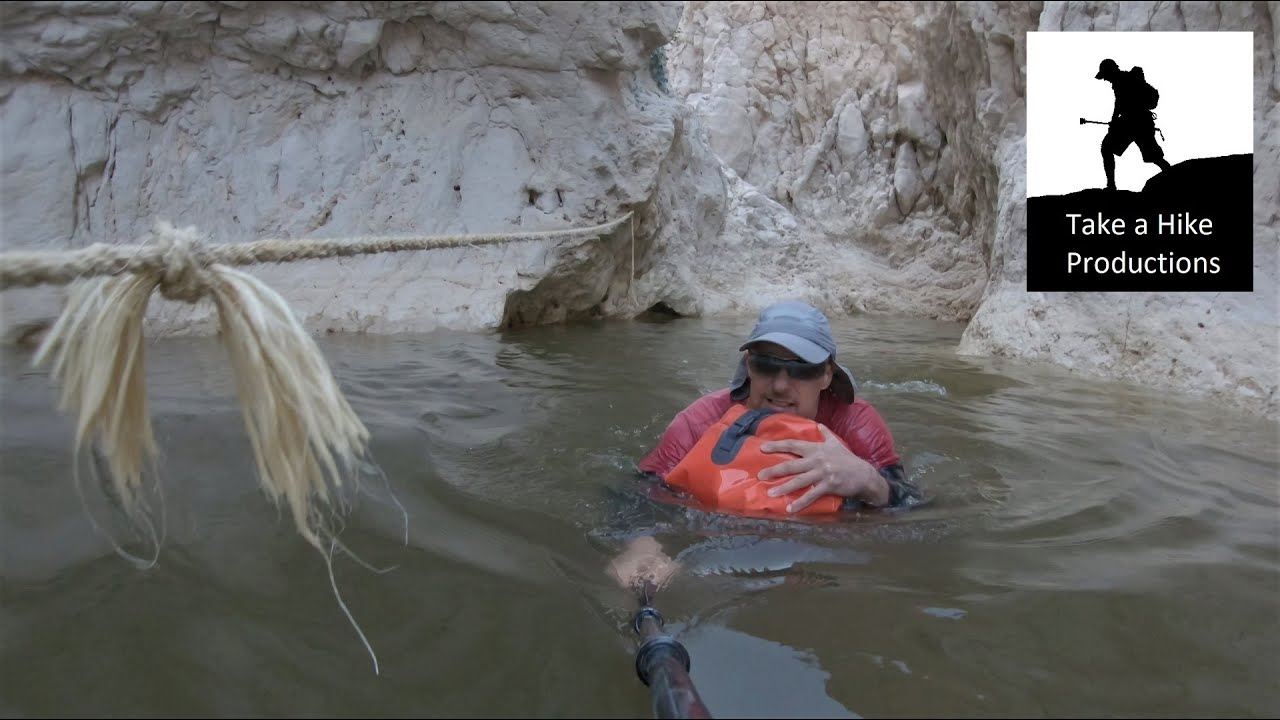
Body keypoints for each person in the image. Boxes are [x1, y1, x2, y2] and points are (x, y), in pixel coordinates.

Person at [608, 300, 921, 591]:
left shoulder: (855, 425)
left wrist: (871, 483)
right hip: (725, 555)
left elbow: (911, 508)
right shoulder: (701, 422)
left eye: (802, 368)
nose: (780, 385)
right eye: (766, 365)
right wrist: (640, 543)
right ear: (749, 365)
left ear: (827, 374)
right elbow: (639, 493)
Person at [1095, 58, 1171, 191]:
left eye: (1105, 76)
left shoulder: (1121, 81)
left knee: (1107, 148)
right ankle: (1173, 177)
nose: (1105, 80)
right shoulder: (1123, 80)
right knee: (1154, 157)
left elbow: (1120, 104)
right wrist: (1115, 121)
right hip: (1141, 123)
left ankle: (1111, 186)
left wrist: (1114, 121)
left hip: (1134, 123)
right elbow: (1120, 104)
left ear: (1109, 71)